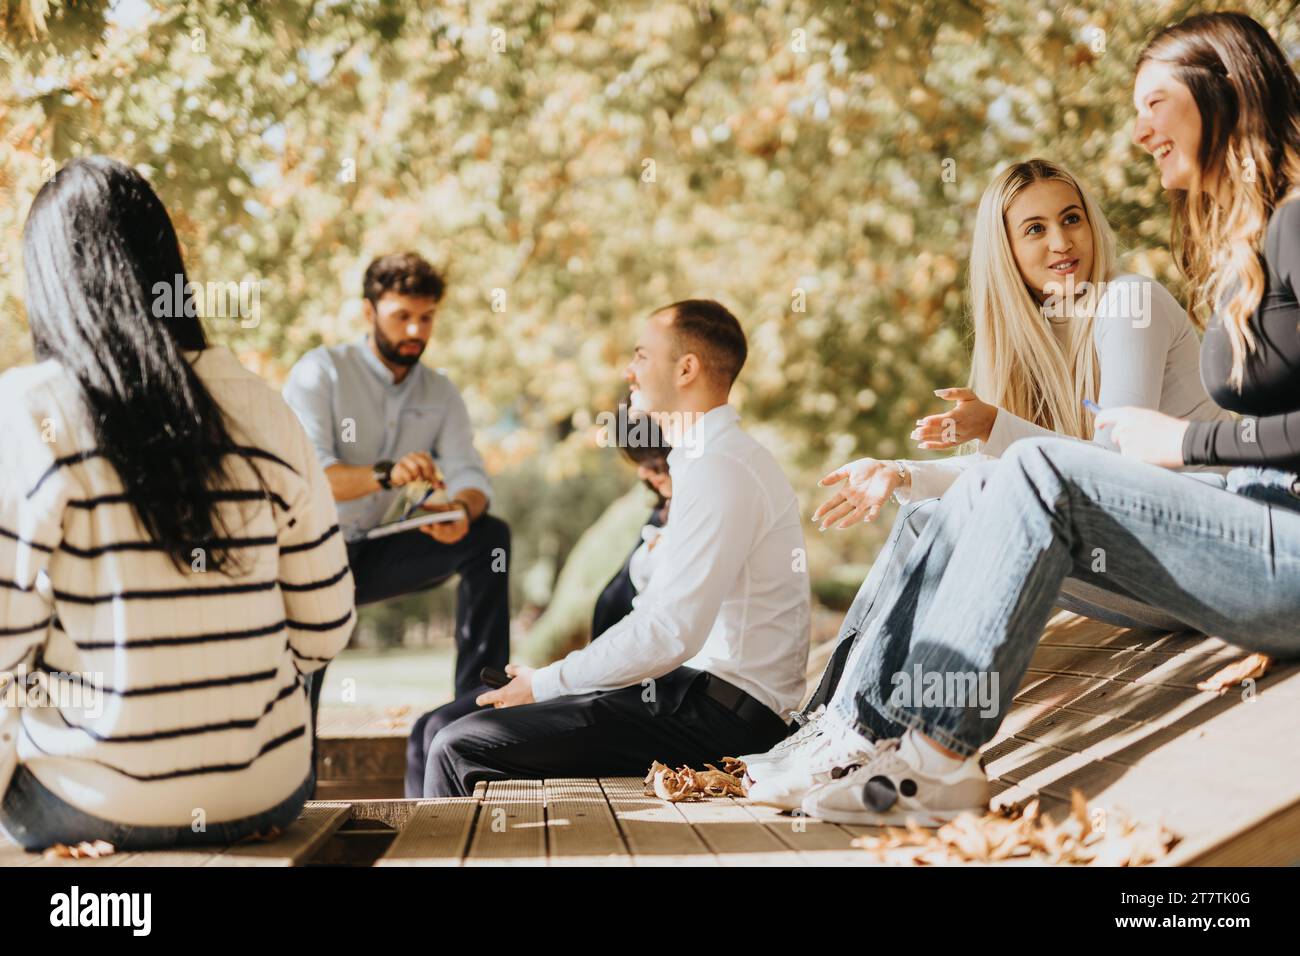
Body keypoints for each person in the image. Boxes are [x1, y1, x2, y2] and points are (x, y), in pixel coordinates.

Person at [793, 11, 1300, 826]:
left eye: (1155, 103)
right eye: (1033, 229)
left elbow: (1124, 459)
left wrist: (1189, 442)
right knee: (969, 496)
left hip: (1281, 543)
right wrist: (906, 472)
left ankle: (928, 759)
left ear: (1225, 92)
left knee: (1033, 470)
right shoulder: (1251, 242)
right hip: (1249, 545)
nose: (1138, 132)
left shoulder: (1295, 223)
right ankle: (858, 735)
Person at [744, 157, 1231, 806]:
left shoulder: (1129, 303)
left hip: (1202, 558)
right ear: (1005, 250)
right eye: (1035, 229)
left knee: (966, 507)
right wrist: (901, 474)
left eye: (1071, 219)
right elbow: (1022, 476)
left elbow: (1111, 471)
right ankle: (832, 728)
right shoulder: (1044, 340)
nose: (1061, 243)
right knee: (926, 515)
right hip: (1142, 568)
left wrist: (997, 426)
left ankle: (859, 732)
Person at [0, 157, 355, 851]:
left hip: (87, 800)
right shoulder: (262, 406)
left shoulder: (31, 412)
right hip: (266, 789)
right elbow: (326, 625)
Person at [422, 299, 810, 797]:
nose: (629, 371)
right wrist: (553, 681)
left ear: (686, 368)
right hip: (688, 699)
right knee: (446, 730)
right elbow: (659, 624)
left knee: (457, 747)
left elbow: (670, 633)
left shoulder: (722, 468)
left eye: (642, 356)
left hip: (721, 720)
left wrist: (545, 684)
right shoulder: (707, 462)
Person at [281, 252, 510, 733]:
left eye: (425, 318)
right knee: (304, 672)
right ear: (369, 313)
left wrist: (460, 510)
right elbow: (310, 480)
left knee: (489, 535)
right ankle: (293, 784)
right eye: (401, 316)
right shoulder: (319, 373)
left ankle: (475, 719)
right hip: (305, 555)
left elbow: (471, 476)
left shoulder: (440, 393)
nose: (415, 331)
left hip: (374, 550)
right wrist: (387, 475)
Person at [401, 404, 673, 796]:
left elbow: (659, 637)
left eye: (654, 463)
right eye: (638, 463)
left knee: (448, 739)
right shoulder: (651, 521)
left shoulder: (692, 524)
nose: (644, 473)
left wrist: (550, 683)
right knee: (426, 727)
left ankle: (450, 851)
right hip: (588, 677)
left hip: (616, 692)